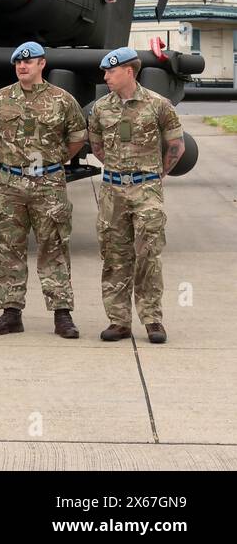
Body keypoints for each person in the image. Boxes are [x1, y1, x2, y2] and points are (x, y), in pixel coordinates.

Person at [0, 42, 87, 338]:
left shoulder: (62, 99)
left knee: (54, 246)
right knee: (6, 247)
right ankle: (11, 313)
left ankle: (62, 314)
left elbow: (77, 137)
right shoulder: (1, 98)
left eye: (29, 62)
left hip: (48, 183)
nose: (22, 66)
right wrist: (14, 159)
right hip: (10, 183)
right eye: (18, 62)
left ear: (42, 64)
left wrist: (53, 160)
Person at [87, 46, 185, 344]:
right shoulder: (100, 108)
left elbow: (176, 146)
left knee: (148, 253)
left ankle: (152, 320)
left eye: (111, 71)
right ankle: (118, 321)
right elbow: (97, 146)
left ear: (129, 71)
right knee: (114, 255)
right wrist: (118, 170)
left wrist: (156, 175)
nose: (106, 76)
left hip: (146, 189)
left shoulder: (159, 105)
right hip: (112, 190)